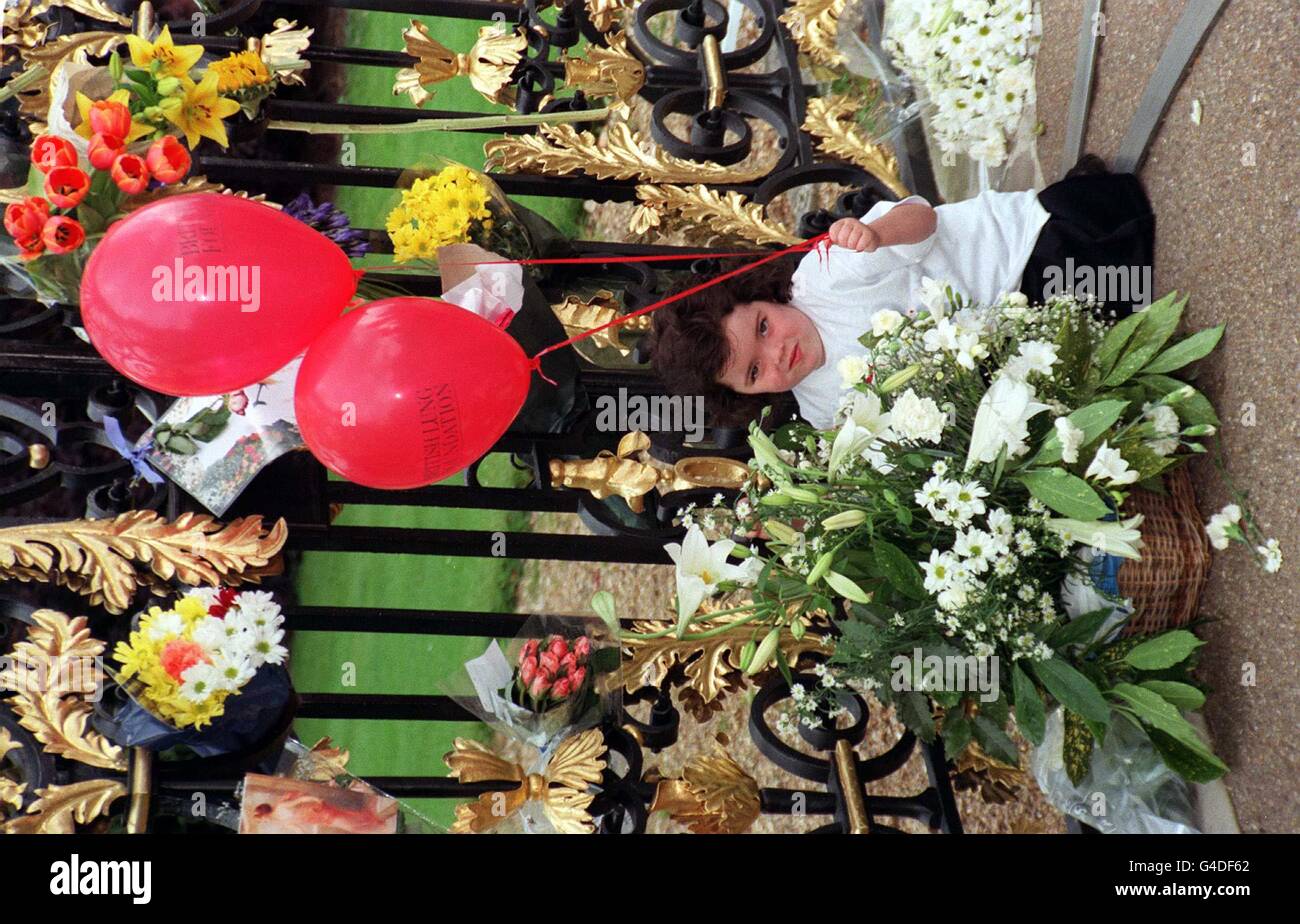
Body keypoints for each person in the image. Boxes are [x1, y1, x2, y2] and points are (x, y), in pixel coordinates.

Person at [648, 156, 1154, 430]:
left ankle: (1080, 196)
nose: (777, 351)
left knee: (1111, 285)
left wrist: (879, 233)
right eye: (755, 372)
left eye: (762, 327)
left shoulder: (824, 277)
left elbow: (924, 217)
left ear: (762, 296)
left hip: (1013, 258)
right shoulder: (822, 408)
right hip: (1002, 342)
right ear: (743, 397)